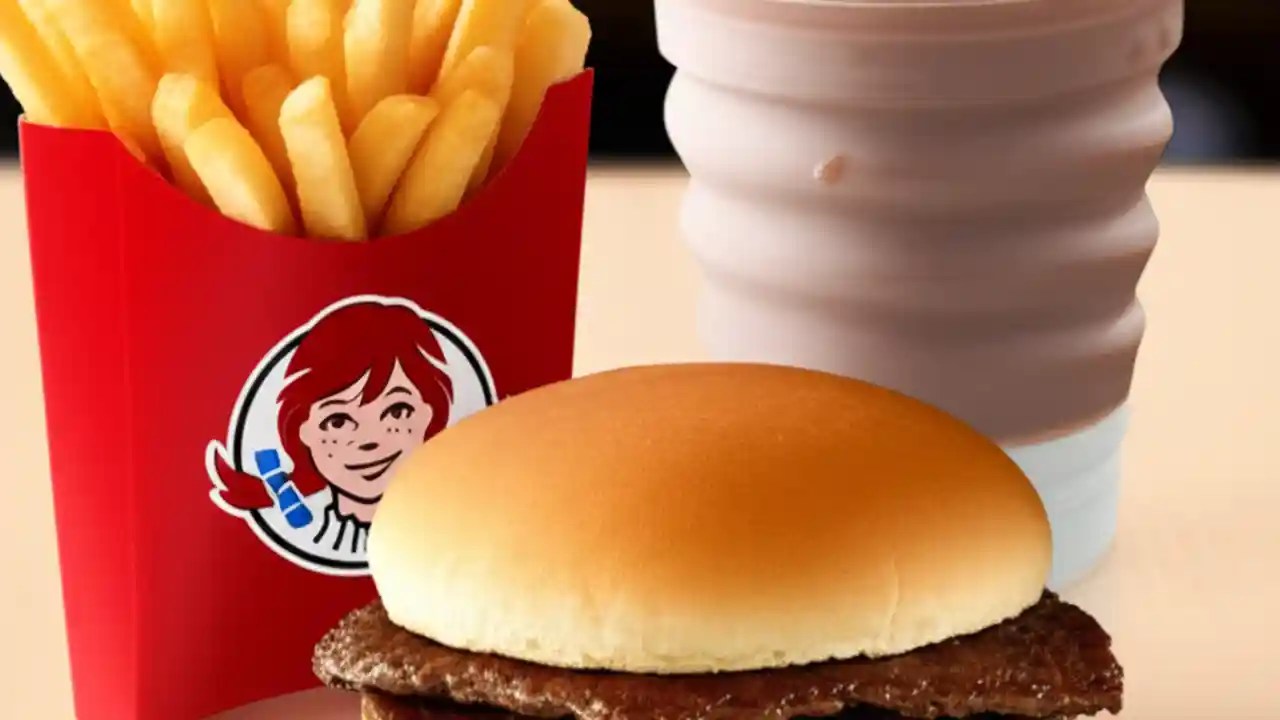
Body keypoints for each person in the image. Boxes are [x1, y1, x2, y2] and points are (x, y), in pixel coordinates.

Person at [212, 301, 454, 558]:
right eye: (338, 421)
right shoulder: (313, 532)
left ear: (429, 414)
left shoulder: (458, 516)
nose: (369, 440)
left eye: (397, 411)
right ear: (304, 432)